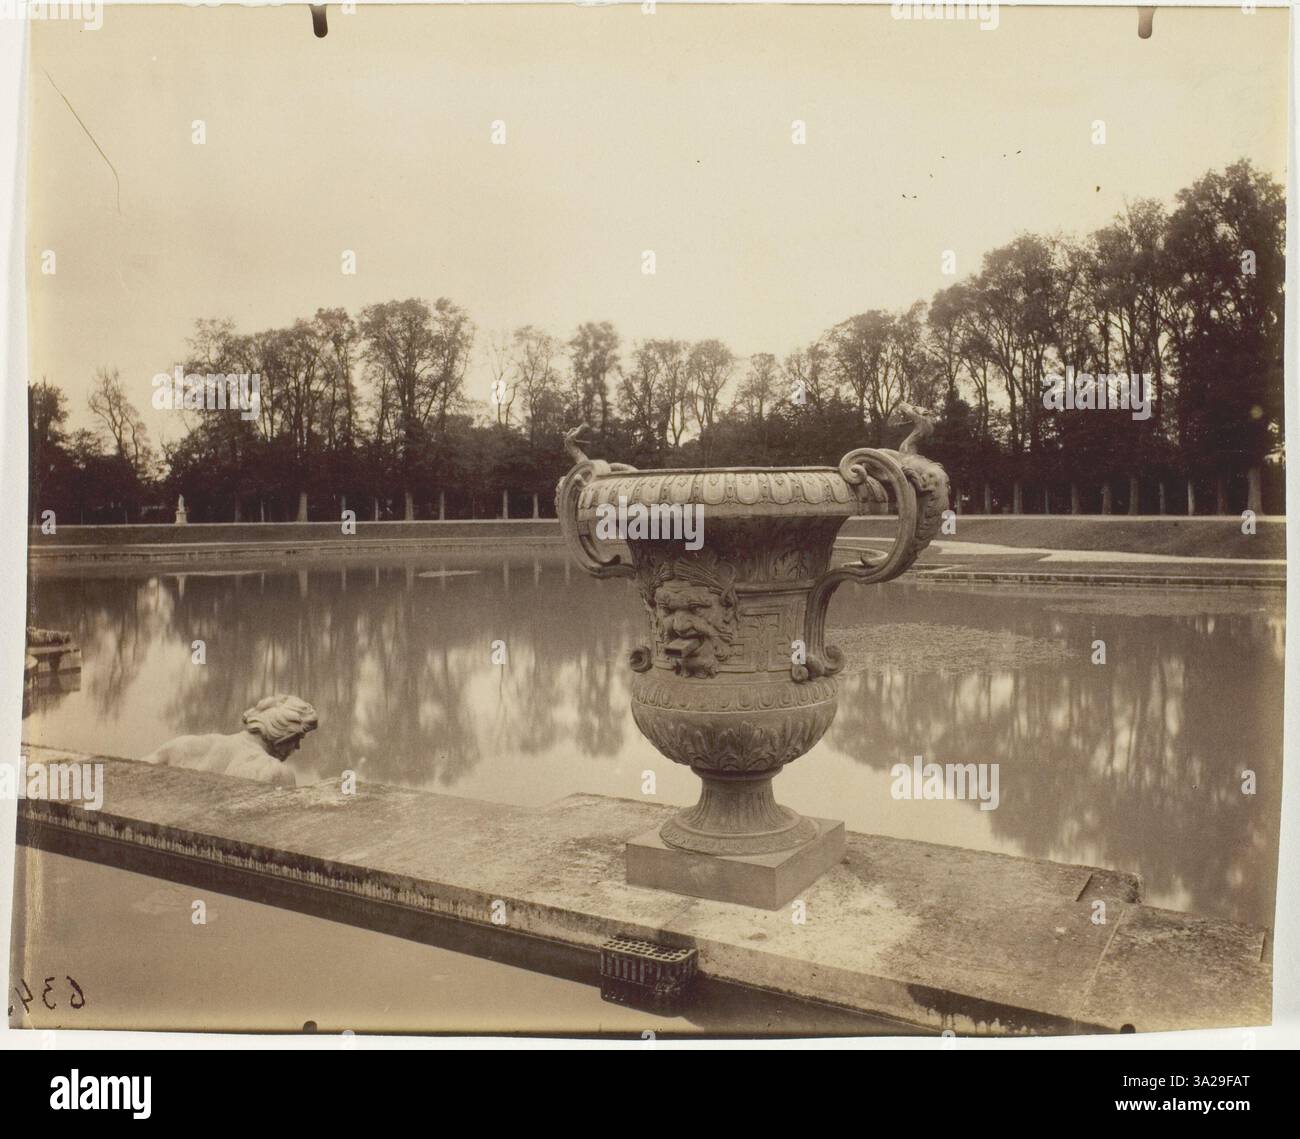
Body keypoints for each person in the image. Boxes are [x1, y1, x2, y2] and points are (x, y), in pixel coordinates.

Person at [142, 695, 318, 788]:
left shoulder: (185, 745)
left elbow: (129, 778)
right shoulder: (275, 773)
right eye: (297, 738)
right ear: (284, 734)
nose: (297, 747)